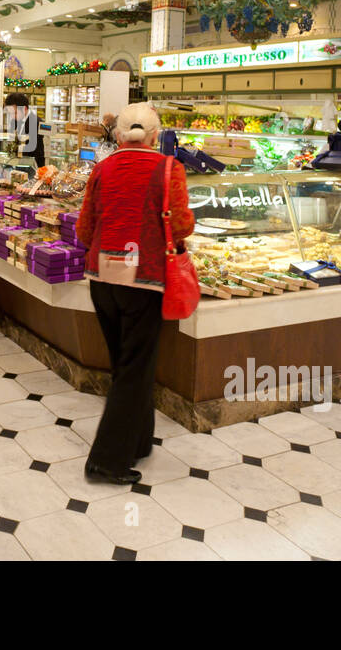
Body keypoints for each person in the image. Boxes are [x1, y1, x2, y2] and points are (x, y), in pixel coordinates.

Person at [75, 102, 194, 484]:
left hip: (102, 279)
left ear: (119, 135)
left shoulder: (102, 167)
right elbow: (182, 225)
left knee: (126, 366)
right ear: (156, 136)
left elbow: (83, 230)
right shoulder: (169, 168)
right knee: (135, 368)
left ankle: (139, 441)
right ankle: (106, 462)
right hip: (144, 280)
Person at [3, 92, 44, 167]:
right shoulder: (15, 121)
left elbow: (38, 153)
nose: (12, 116)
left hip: (33, 169)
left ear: (24, 109)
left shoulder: (37, 123)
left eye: (14, 113)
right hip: (18, 167)